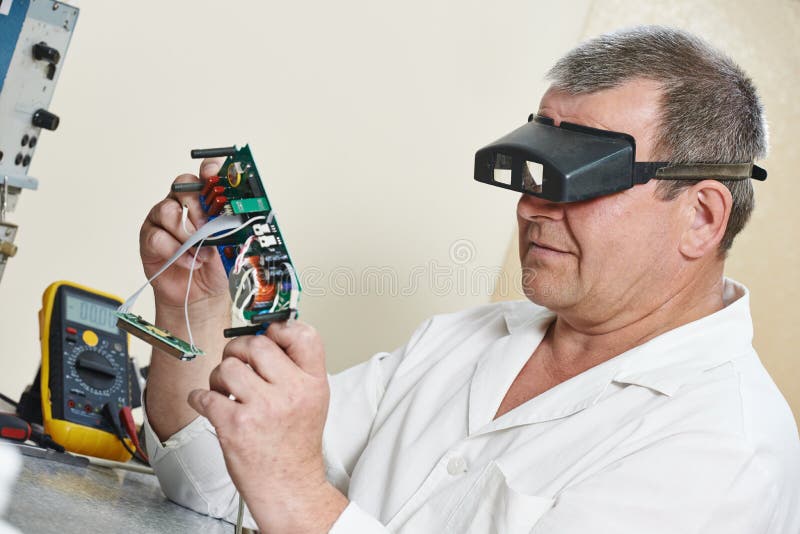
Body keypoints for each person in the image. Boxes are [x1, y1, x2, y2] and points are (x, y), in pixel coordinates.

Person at [140, 26, 800, 533]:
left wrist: (298, 491)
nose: (532, 205)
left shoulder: (723, 452)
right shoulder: (461, 342)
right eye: (534, 171)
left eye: (577, 179)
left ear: (701, 217)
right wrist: (192, 312)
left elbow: (284, 492)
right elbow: (213, 492)